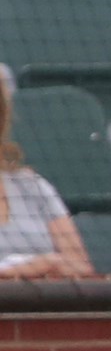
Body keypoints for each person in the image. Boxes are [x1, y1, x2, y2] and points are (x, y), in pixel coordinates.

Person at [0, 82, 94, 277]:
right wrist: (38, 266)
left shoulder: (32, 185)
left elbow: (82, 269)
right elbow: (55, 263)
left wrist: (46, 265)